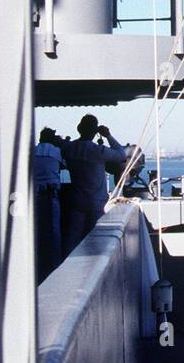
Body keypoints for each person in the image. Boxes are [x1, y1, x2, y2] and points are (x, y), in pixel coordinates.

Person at [59, 114, 129, 254]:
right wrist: (108, 135)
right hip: (95, 202)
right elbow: (121, 155)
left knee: (72, 241)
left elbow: (62, 149)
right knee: (95, 241)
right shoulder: (98, 151)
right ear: (95, 131)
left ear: (79, 129)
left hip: (76, 200)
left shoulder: (69, 148)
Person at [32, 127, 66, 280]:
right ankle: (55, 266)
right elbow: (64, 165)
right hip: (51, 194)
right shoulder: (55, 151)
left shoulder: (33, 151)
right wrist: (62, 143)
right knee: (53, 232)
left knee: (37, 232)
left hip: (35, 195)